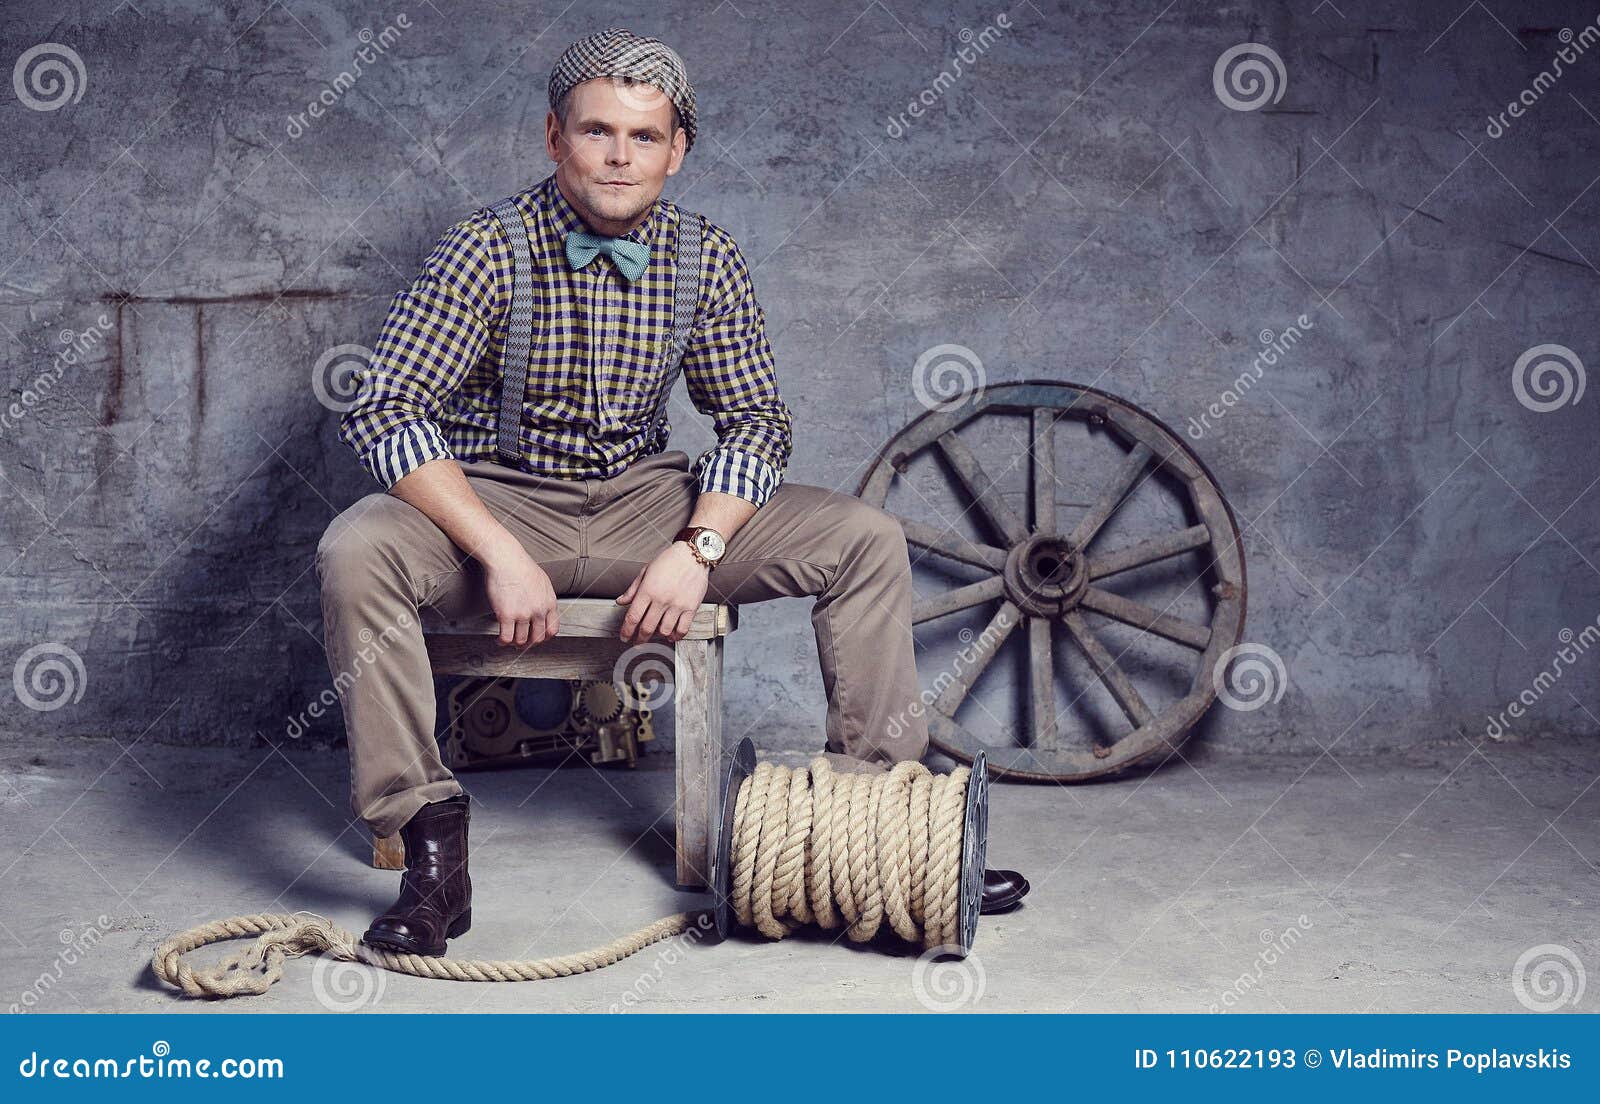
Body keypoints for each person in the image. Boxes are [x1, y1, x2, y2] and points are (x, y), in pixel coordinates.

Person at [315, 26, 1029, 958]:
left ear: (677, 149)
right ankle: (431, 851)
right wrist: (497, 551)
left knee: (862, 536)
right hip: (496, 503)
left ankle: (881, 833)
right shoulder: (483, 249)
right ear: (552, 139)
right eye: (596, 131)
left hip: (645, 503)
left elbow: (757, 424)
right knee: (355, 547)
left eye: (643, 137)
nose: (619, 156)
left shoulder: (707, 258)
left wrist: (697, 550)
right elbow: (384, 409)